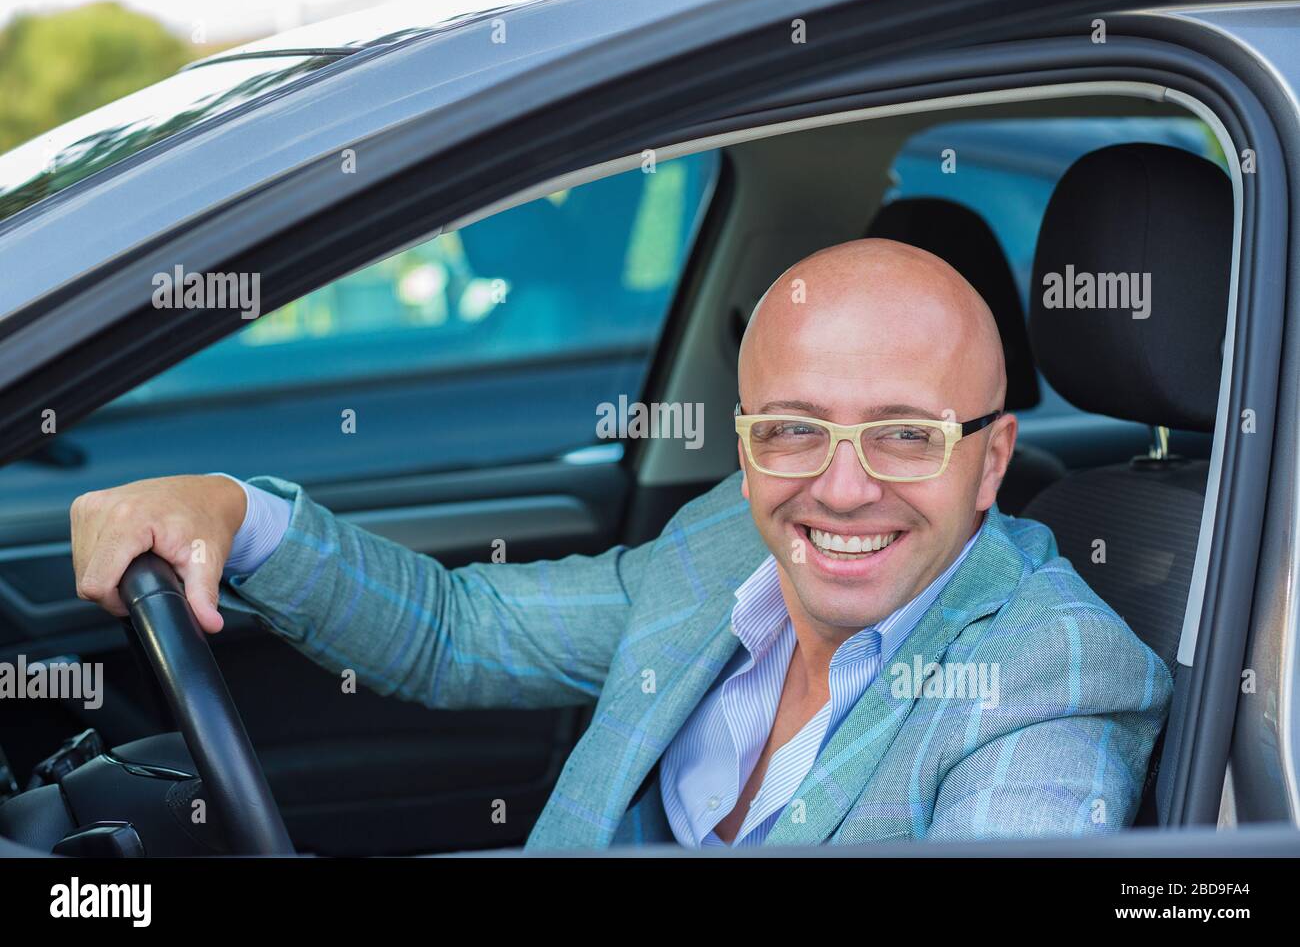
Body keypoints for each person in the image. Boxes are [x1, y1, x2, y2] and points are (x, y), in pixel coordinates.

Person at [70, 238, 1172, 849]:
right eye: (791, 428)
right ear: (742, 444)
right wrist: (230, 509)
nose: (839, 490)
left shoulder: (1046, 673)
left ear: (989, 458)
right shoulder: (720, 547)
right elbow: (459, 631)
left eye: (904, 433)